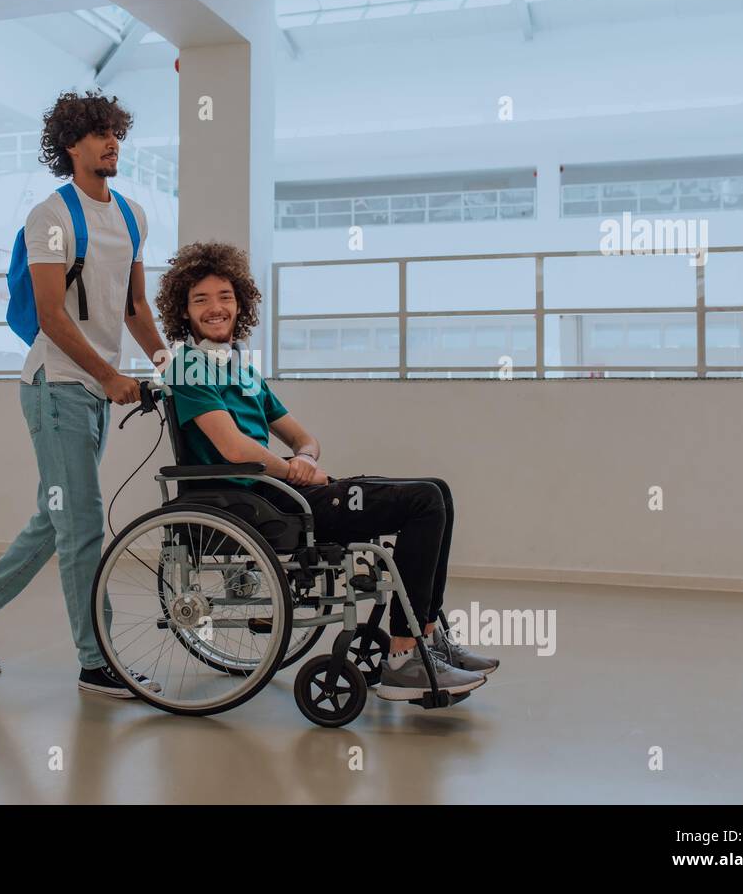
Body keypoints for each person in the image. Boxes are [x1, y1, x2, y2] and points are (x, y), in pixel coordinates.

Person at [155, 240, 499, 700]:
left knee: (437, 490)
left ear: (241, 304)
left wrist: (306, 461)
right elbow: (234, 448)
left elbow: (304, 438)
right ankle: (403, 658)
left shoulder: (242, 368)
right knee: (423, 502)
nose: (216, 308)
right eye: (201, 300)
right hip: (257, 502)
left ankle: (428, 635)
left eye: (225, 297)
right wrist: (292, 473)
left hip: (283, 489)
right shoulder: (187, 366)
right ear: (184, 310)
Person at [0, 91, 167, 697]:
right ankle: (99, 661)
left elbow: (135, 305)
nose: (111, 141)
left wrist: (171, 362)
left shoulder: (133, 216)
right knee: (83, 523)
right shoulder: (51, 217)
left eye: (116, 131)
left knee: (55, 518)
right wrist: (110, 376)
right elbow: (50, 317)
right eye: (98, 133)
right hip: (55, 386)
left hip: (93, 390)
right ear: (70, 145)